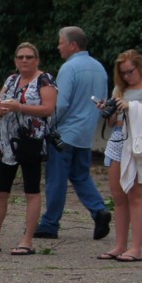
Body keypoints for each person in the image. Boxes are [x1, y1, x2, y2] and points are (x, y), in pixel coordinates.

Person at [34, 26, 112, 240]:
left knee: (56, 179)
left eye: (61, 42)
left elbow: (62, 103)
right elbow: (103, 104)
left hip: (64, 133)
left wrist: (48, 126)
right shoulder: (99, 68)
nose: (58, 46)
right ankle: (99, 210)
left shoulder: (69, 68)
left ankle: (50, 224)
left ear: (72, 44)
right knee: (80, 175)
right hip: (85, 135)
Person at [0, 42, 57, 256]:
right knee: (0, 191)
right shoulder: (11, 80)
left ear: (37, 60)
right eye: (21, 57)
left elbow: (49, 108)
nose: (25, 60)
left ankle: (27, 240)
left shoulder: (45, 79)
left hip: (31, 140)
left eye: (29, 57)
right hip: (6, 142)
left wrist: (20, 107)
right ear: (15, 60)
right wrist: (1, 109)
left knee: (31, 191)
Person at [98, 49, 142, 263]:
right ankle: (120, 245)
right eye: (123, 73)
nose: (127, 76)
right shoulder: (119, 89)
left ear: (139, 67)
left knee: (135, 195)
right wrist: (108, 109)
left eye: (130, 71)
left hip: (139, 144)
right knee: (118, 196)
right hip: (118, 140)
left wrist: (132, 107)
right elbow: (112, 122)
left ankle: (136, 247)